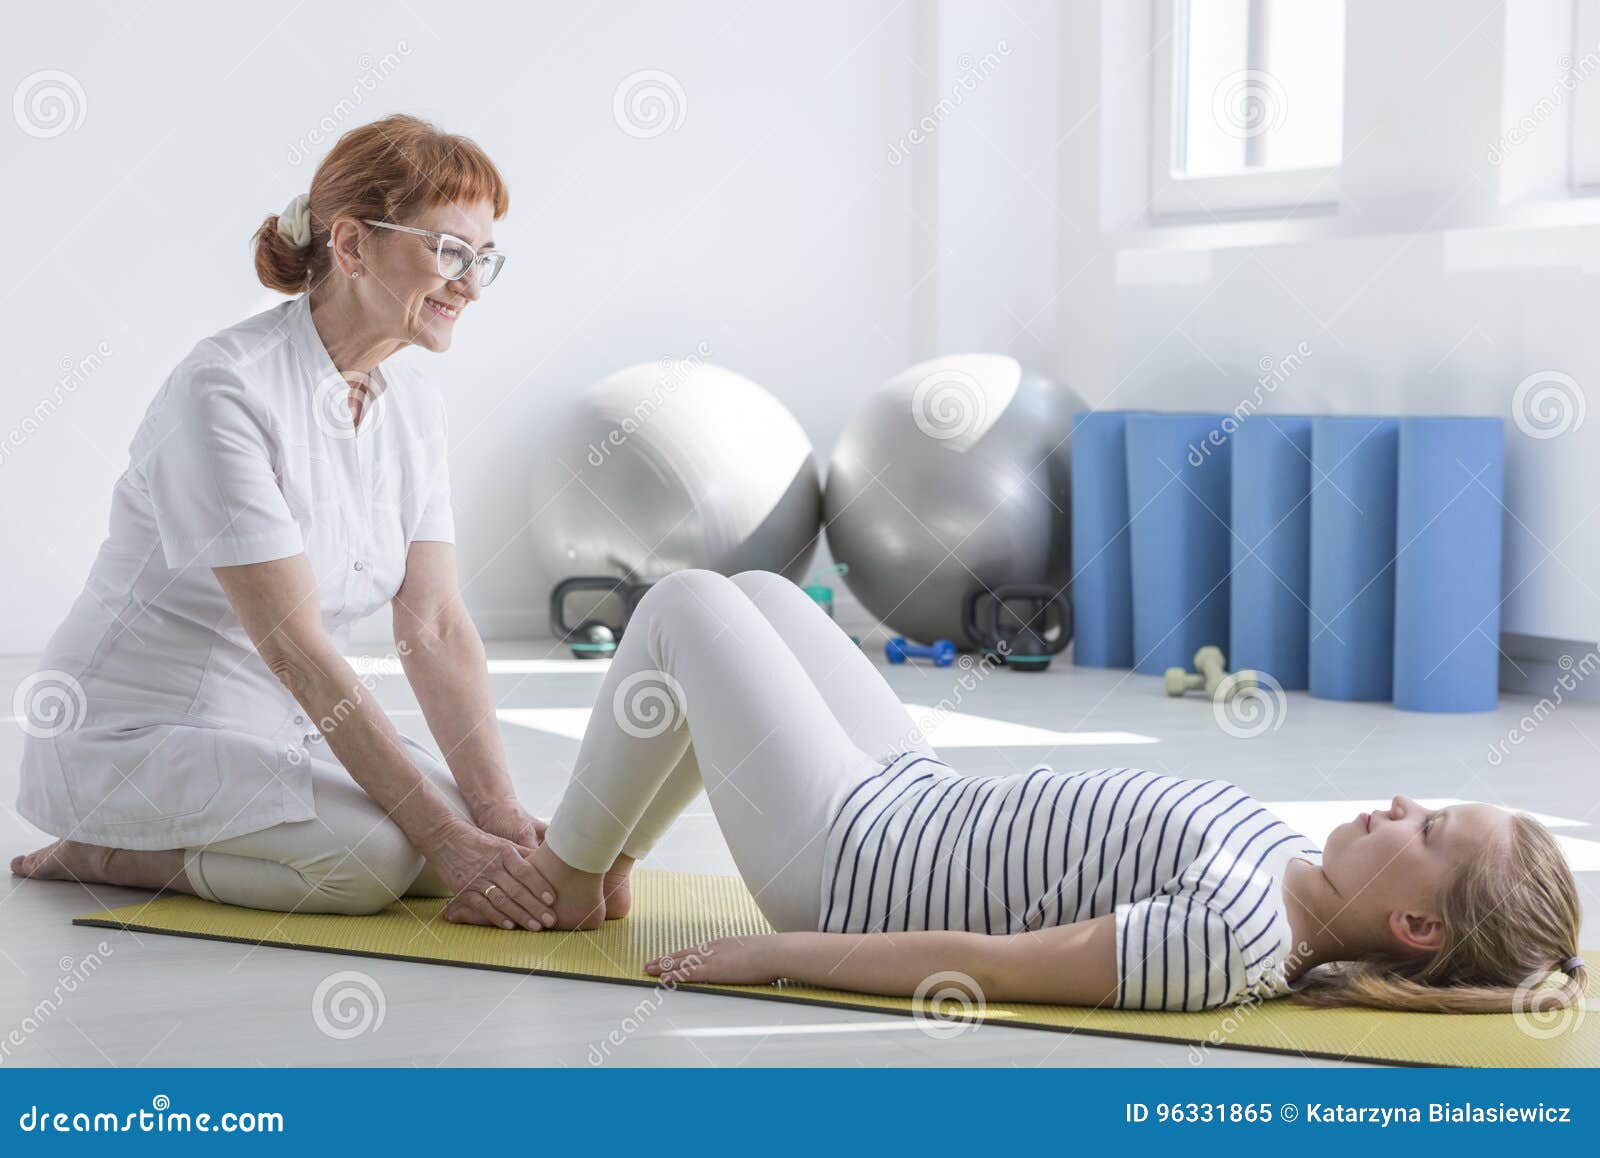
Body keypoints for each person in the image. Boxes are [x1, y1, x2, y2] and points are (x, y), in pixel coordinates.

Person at [527, 568, 1586, 1013]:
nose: (1402, 802)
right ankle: (607, 858)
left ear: (1409, 921)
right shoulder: (1287, 860)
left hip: (849, 865)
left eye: (1430, 826)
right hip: (907, 792)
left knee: (681, 604)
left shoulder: (1239, 939)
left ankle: (571, 874)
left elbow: (992, 966)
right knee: (756, 592)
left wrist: (775, 955)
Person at [12, 115, 572, 934]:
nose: (472, 285)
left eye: (484, 258)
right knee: (376, 862)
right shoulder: (222, 389)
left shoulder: (412, 406)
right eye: (450, 251)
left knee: (442, 842)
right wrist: (446, 836)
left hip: (285, 726)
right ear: (351, 247)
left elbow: (437, 625)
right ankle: (102, 852)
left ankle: (394, 822)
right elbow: (296, 646)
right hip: (134, 734)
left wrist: (496, 813)